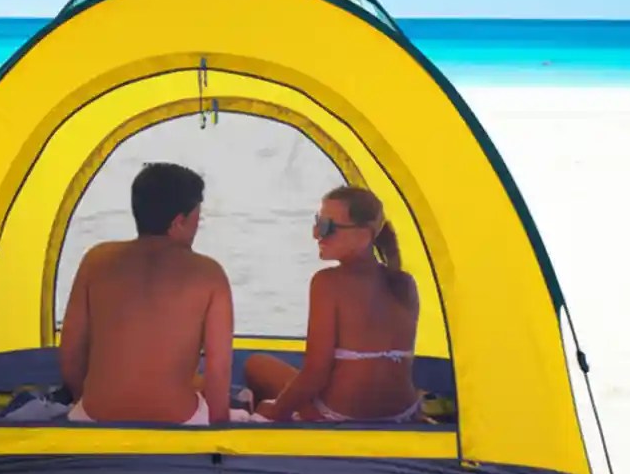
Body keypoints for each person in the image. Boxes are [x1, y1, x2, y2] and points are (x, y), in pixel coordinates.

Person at [58, 162, 234, 425]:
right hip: (179, 421)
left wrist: (86, 400)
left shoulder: (97, 260)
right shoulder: (209, 274)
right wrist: (219, 442)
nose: (198, 225)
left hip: (94, 419)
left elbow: (71, 355)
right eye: (198, 217)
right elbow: (218, 373)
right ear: (179, 222)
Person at [244, 185, 425, 423]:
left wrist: (275, 414)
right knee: (262, 366)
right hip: (403, 415)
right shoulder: (404, 283)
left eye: (328, 227)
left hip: (339, 417)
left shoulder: (327, 283)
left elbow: (314, 375)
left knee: (255, 366)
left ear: (364, 235)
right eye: (318, 223)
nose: (317, 234)